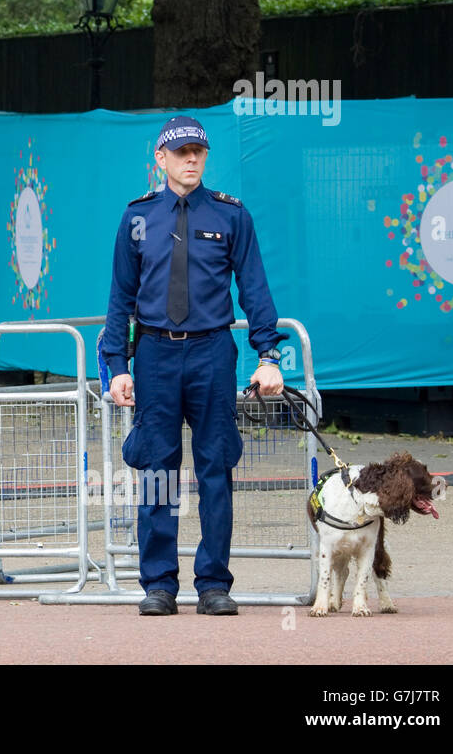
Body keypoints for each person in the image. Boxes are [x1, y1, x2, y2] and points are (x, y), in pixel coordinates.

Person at [103, 115, 285, 617]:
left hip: (212, 352)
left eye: (198, 153)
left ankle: (213, 584)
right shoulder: (137, 217)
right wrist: (116, 365)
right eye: (180, 152)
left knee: (215, 468)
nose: (190, 160)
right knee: (156, 470)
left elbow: (255, 289)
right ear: (160, 159)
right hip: (156, 355)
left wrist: (268, 356)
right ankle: (159, 584)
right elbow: (120, 299)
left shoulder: (231, 215)